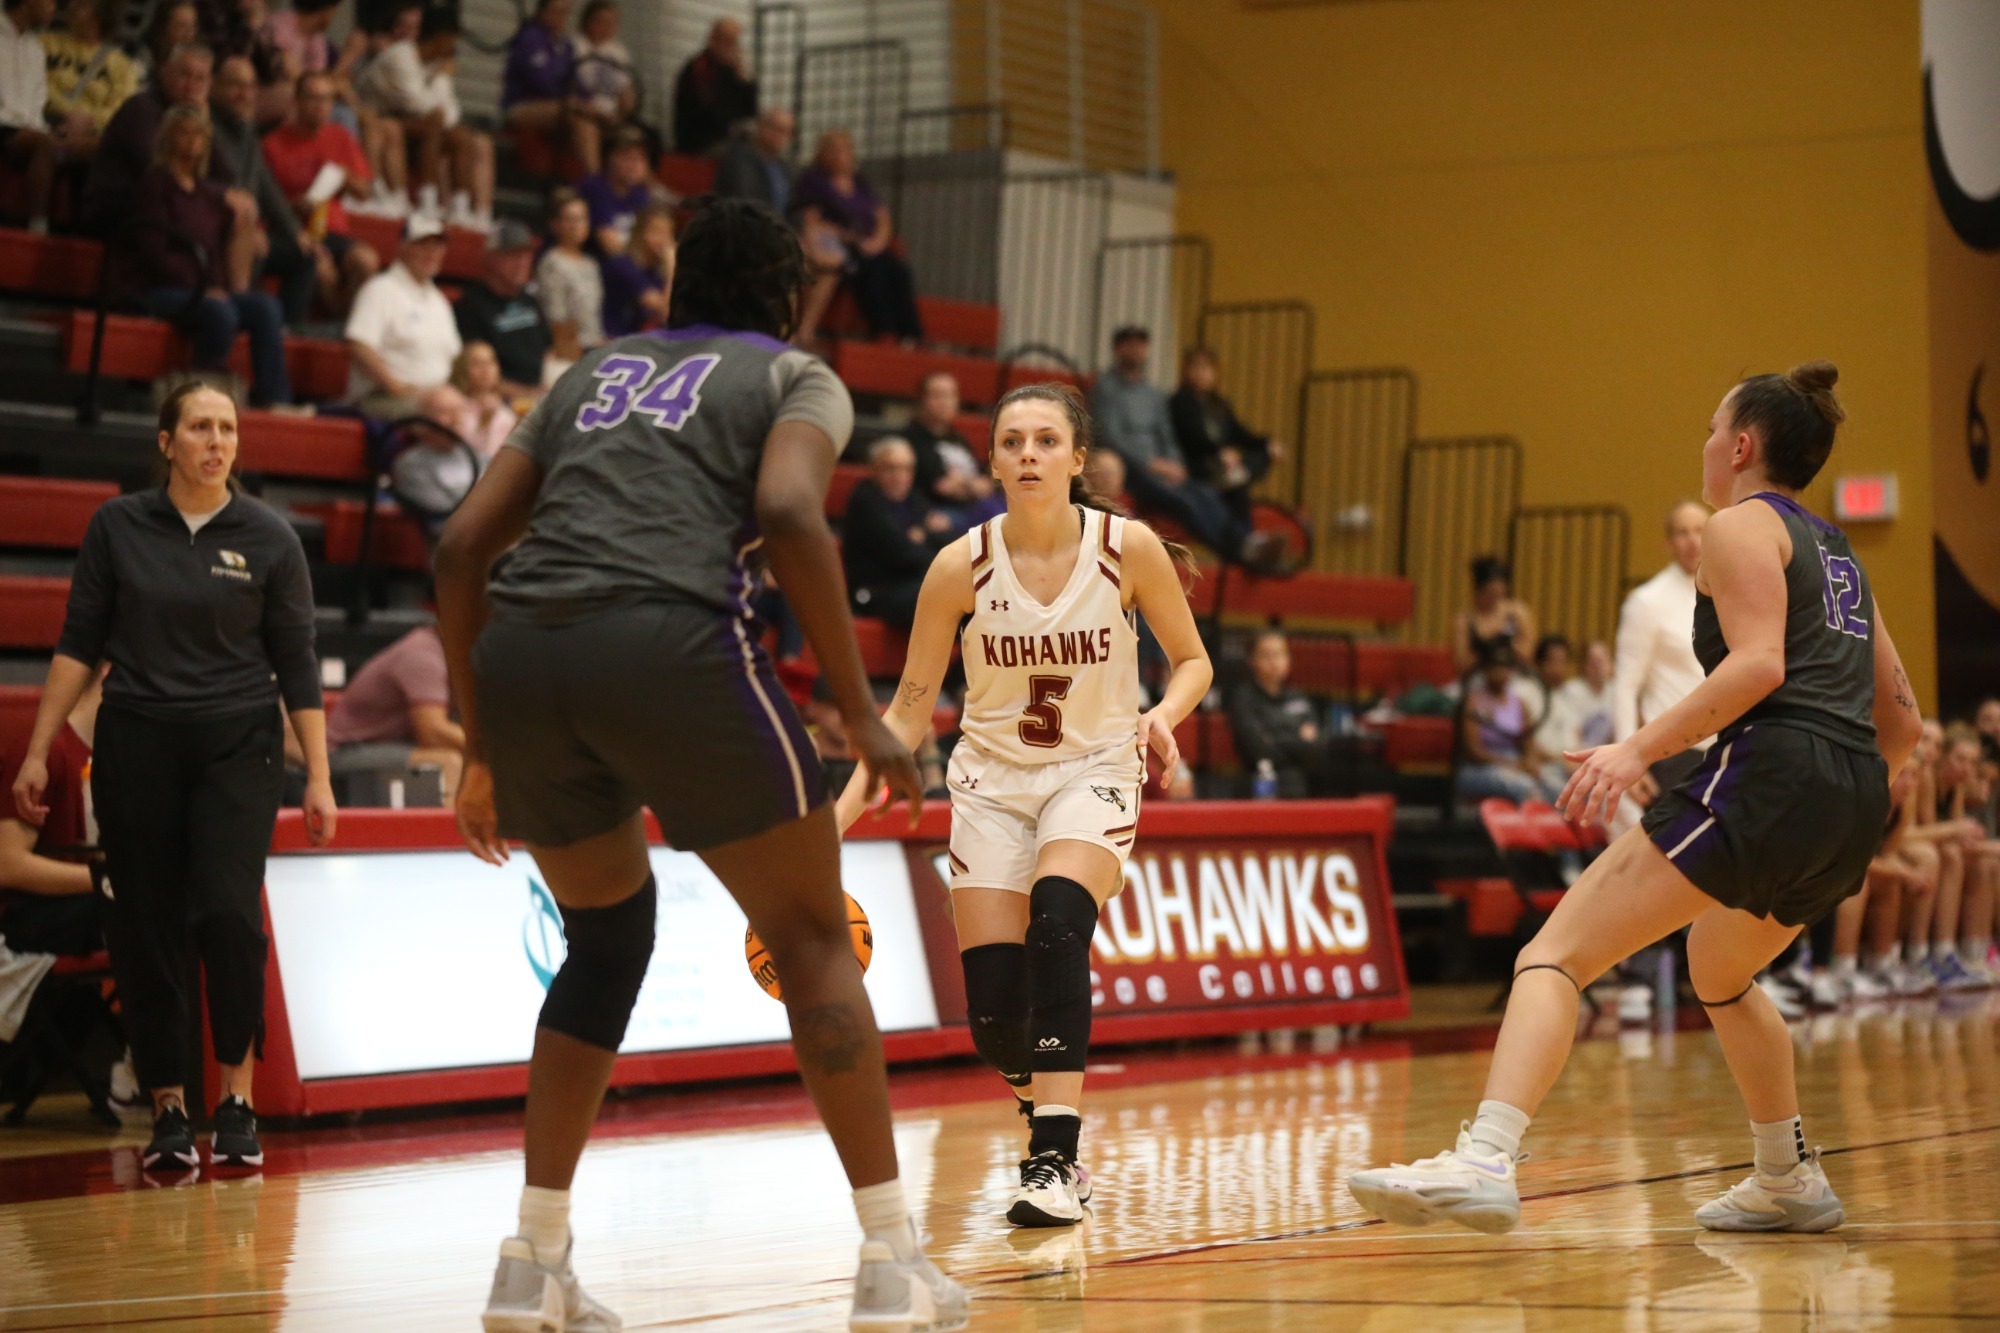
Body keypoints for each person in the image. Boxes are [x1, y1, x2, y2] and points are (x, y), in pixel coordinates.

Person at [432, 195, 965, 1329]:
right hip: (670, 646)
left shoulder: (582, 376)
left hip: (524, 657)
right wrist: (861, 712)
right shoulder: (792, 376)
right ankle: (889, 1261)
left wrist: (482, 743)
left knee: (606, 940)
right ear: (784, 299)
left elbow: (459, 546)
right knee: (813, 937)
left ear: (677, 290)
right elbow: (784, 508)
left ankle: (530, 1262)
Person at [1347, 360, 1921, 1238]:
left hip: (1775, 770)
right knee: (1720, 968)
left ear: (1741, 444)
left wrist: (1635, 748)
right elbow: (1905, 721)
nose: (1702, 444)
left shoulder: (1739, 525)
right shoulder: (1842, 556)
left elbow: (1761, 665)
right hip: (1849, 798)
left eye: (1708, 427)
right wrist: (1845, 786)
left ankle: (1485, 1156)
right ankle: (1785, 1175)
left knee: (1555, 952)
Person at [834, 381, 1213, 1229]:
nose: (1029, 455)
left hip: (1094, 769)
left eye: (1047, 441)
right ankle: (1042, 1100)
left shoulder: (1128, 547)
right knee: (998, 1022)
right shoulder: (957, 564)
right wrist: (827, 829)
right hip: (991, 788)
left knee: (1058, 922)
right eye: (1012, 442)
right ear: (994, 459)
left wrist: (1160, 714)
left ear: (1077, 459)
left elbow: (1193, 660)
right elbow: (903, 716)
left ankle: (1055, 1156)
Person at [12, 382, 338, 1176]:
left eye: (227, 427)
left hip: (238, 746)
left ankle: (235, 1097)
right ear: (166, 441)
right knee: (144, 928)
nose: (216, 440)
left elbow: (296, 662)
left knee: (228, 914)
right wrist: (36, 748)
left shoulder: (268, 537)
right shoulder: (117, 527)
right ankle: (167, 1106)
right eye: (199, 426)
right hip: (137, 743)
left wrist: (319, 775)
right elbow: (78, 642)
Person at [126, 104, 293, 406]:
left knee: (265, 307)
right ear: (168, 138)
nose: (191, 140)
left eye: (198, 135)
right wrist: (202, 287)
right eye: (184, 133)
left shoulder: (206, 192)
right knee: (220, 312)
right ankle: (201, 395)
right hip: (162, 288)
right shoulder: (156, 184)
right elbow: (154, 251)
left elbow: (218, 245)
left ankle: (277, 400)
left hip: (205, 287)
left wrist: (251, 232)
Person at [1090, 326, 1275, 570]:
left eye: (1141, 344)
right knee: (1181, 500)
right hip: (1132, 469)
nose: (1136, 350)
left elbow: (1168, 436)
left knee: (1204, 493)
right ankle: (1243, 549)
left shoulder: (1153, 395)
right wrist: (1151, 463)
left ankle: (1246, 544)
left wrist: (1176, 464)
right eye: (1129, 344)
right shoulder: (1105, 390)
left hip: (1164, 468)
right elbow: (1111, 438)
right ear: (1118, 348)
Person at [1613, 500, 1712, 823]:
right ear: (1669, 543)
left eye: (1699, 530)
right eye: (1682, 533)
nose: (1692, 540)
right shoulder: (1648, 601)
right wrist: (1628, 757)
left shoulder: (1728, 593)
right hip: (1673, 754)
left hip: (1724, 747)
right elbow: (1626, 685)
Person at [0, 663, 106, 959]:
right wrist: (107, 880)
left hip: (74, 905)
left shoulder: (110, 757)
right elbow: (7, 865)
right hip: (22, 918)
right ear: (112, 675)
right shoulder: (45, 751)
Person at [354, 9, 491, 229]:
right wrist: (444, 79)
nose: (455, 47)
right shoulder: (400, 56)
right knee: (432, 128)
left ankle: (461, 209)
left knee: (463, 138)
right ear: (442, 37)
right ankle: (428, 202)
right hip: (375, 119)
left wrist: (441, 86)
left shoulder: (435, 63)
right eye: (453, 39)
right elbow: (417, 104)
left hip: (409, 122)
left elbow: (450, 112)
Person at [261, 69, 380, 318]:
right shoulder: (273, 143)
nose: (320, 106)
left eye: (326, 99)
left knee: (366, 260)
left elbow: (365, 192)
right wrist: (296, 205)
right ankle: (337, 324)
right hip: (293, 229)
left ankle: (348, 325)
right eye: (313, 98)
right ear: (297, 101)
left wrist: (348, 179)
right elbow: (266, 201)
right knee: (320, 268)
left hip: (333, 228)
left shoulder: (340, 137)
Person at [210, 54, 318, 326]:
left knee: (304, 255)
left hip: (248, 228)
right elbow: (208, 186)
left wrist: (296, 232)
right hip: (217, 229)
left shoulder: (247, 130)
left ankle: (289, 333)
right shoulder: (204, 127)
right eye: (236, 85)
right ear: (215, 86)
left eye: (250, 86)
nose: (244, 94)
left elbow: (266, 186)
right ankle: (240, 314)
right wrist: (249, 228)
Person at [792, 129, 923, 344]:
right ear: (822, 153)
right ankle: (884, 330)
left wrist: (877, 242)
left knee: (898, 270)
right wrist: (845, 237)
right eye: (833, 150)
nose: (839, 155)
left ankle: (911, 334)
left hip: (867, 244)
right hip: (840, 245)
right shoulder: (813, 180)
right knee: (871, 271)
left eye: (843, 149)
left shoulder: (859, 182)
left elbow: (882, 217)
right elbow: (811, 220)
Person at [83, 40, 211, 232]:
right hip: (119, 208)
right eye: (185, 74)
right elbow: (159, 167)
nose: (191, 86)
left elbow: (223, 175)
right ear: (165, 72)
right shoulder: (141, 108)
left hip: (164, 204)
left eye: (200, 79)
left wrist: (205, 127)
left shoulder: (199, 117)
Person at [328, 623, 463, 800]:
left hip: (396, 745)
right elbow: (433, 733)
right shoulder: (422, 655)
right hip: (346, 751)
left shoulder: (458, 657)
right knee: (449, 763)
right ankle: (448, 828)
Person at [344, 212, 459, 417]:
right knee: (444, 415)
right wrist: (395, 386)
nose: (431, 253)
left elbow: (455, 356)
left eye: (437, 246)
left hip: (438, 399)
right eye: (423, 244)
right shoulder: (380, 289)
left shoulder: (439, 301)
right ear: (403, 247)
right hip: (384, 398)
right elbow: (360, 346)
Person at [842, 436, 952, 633]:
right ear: (874, 468)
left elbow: (949, 538)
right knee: (952, 594)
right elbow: (903, 553)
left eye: (907, 468)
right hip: (875, 594)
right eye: (891, 468)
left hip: (910, 584)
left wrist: (923, 536)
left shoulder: (913, 498)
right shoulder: (865, 500)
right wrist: (925, 537)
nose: (900, 476)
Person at [1169, 346, 1280, 526]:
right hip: (1199, 464)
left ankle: (1239, 475)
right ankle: (1246, 544)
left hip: (1226, 465)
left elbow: (1239, 433)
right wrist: (1219, 452)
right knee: (1238, 490)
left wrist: (1267, 443)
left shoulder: (1219, 404)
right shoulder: (1180, 402)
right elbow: (1192, 438)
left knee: (1259, 459)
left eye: (1206, 368)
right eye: (1196, 367)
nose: (1201, 373)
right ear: (1186, 371)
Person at [452, 218, 551, 396]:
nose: (522, 262)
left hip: (537, 392)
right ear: (490, 259)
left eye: (526, 255)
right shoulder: (470, 307)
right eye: (513, 255)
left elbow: (548, 351)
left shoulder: (530, 301)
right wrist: (528, 394)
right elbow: (474, 374)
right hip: (495, 398)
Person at [1227, 628, 1330, 799]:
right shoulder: (1244, 699)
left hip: (1298, 786)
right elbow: (1257, 748)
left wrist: (1275, 737)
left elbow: (1318, 748)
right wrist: (1298, 739)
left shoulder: (1298, 697)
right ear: (1252, 661)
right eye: (1267, 655)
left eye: (1280, 654)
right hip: (1256, 787)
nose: (1274, 661)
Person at [503, 0, 598, 177]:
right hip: (523, 106)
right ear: (542, 12)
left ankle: (597, 178)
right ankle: (594, 179)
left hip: (560, 108)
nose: (560, 18)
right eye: (556, 12)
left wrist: (588, 102)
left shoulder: (565, 45)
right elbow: (540, 80)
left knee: (590, 120)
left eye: (564, 13)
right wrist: (571, 101)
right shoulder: (528, 38)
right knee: (574, 113)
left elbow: (575, 79)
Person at [41, 0, 137, 160]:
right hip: (47, 121)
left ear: (102, 14)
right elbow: (37, 84)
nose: (72, 6)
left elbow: (120, 108)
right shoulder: (45, 43)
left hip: (92, 135)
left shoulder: (122, 65)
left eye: (82, 4)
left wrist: (89, 122)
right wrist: (67, 112)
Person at [905, 370, 1001, 529]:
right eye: (937, 395)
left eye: (950, 396)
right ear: (921, 400)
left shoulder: (958, 439)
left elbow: (984, 482)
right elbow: (941, 487)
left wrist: (964, 484)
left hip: (973, 508)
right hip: (938, 513)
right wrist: (971, 486)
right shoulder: (912, 439)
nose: (945, 402)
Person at [1456, 641, 1542, 805]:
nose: (1500, 672)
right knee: (1525, 787)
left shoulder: (1519, 703)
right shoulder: (1473, 702)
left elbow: (1529, 743)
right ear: (1485, 669)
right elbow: (1474, 752)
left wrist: (1531, 762)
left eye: (1505, 667)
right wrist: (1512, 764)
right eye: (1495, 667)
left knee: (1552, 785)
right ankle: (1527, 830)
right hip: (1479, 769)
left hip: (1514, 763)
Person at [0, 0, 58, 233]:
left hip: (24, 125)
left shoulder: (35, 49)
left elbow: (37, 100)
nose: (54, 8)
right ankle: (38, 226)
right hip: (3, 123)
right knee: (44, 144)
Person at [536, 187, 604, 369]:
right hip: (569, 353)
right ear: (555, 224)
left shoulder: (591, 263)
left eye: (582, 218)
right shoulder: (552, 263)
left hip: (594, 347)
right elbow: (556, 321)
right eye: (570, 219)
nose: (577, 225)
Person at [671, 16, 753, 157]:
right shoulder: (699, 68)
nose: (732, 47)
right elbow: (710, 114)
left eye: (735, 42)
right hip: (700, 143)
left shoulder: (729, 70)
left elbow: (749, 111)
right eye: (727, 41)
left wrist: (743, 80)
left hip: (724, 139)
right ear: (713, 40)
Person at [577, 123, 660, 255]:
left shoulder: (640, 195)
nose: (634, 166)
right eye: (628, 158)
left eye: (641, 159)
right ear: (610, 158)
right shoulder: (595, 188)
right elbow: (610, 246)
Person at [1449, 555, 1537, 677]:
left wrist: (1505, 645)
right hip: (1479, 679)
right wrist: (1486, 650)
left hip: (1515, 677)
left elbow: (1528, 655)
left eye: (1499, 594)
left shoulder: (1518, 612)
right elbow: (1460, 665)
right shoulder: (1464, 620)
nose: (1495, 599)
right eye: (1490, 594)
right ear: (1478, 591)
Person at [598, 199, 672, 338]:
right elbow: (666, 312)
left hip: (641, 341)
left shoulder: (656, 271)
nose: (663, 240)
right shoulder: (623, 265)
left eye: (667, 233)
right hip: (613, 341)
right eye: (657, 231)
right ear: (640, 232)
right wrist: (671, 267)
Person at [714, 105, 794, 214]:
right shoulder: (740, 159)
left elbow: (793, 205)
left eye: (786, 132)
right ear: (761, 127)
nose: (781, 137)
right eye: (777, 129)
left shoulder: (784, 167)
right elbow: (746, 201)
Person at [569, 0, 634, 130]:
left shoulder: (618, 53)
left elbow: (626, 92)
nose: (606, 27)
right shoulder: (572, 46)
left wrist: (622, 115)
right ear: (587, 21)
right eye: (601, 22)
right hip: (582, 111)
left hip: (611, 115)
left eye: (612, 23)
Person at [449, 340, 518, 461]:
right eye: (477, 364)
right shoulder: (454, 405)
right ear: (462, 369)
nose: (486, 369)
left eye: (490, 362)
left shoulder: (503, 406)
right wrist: (484, 424)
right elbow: (458, 454)